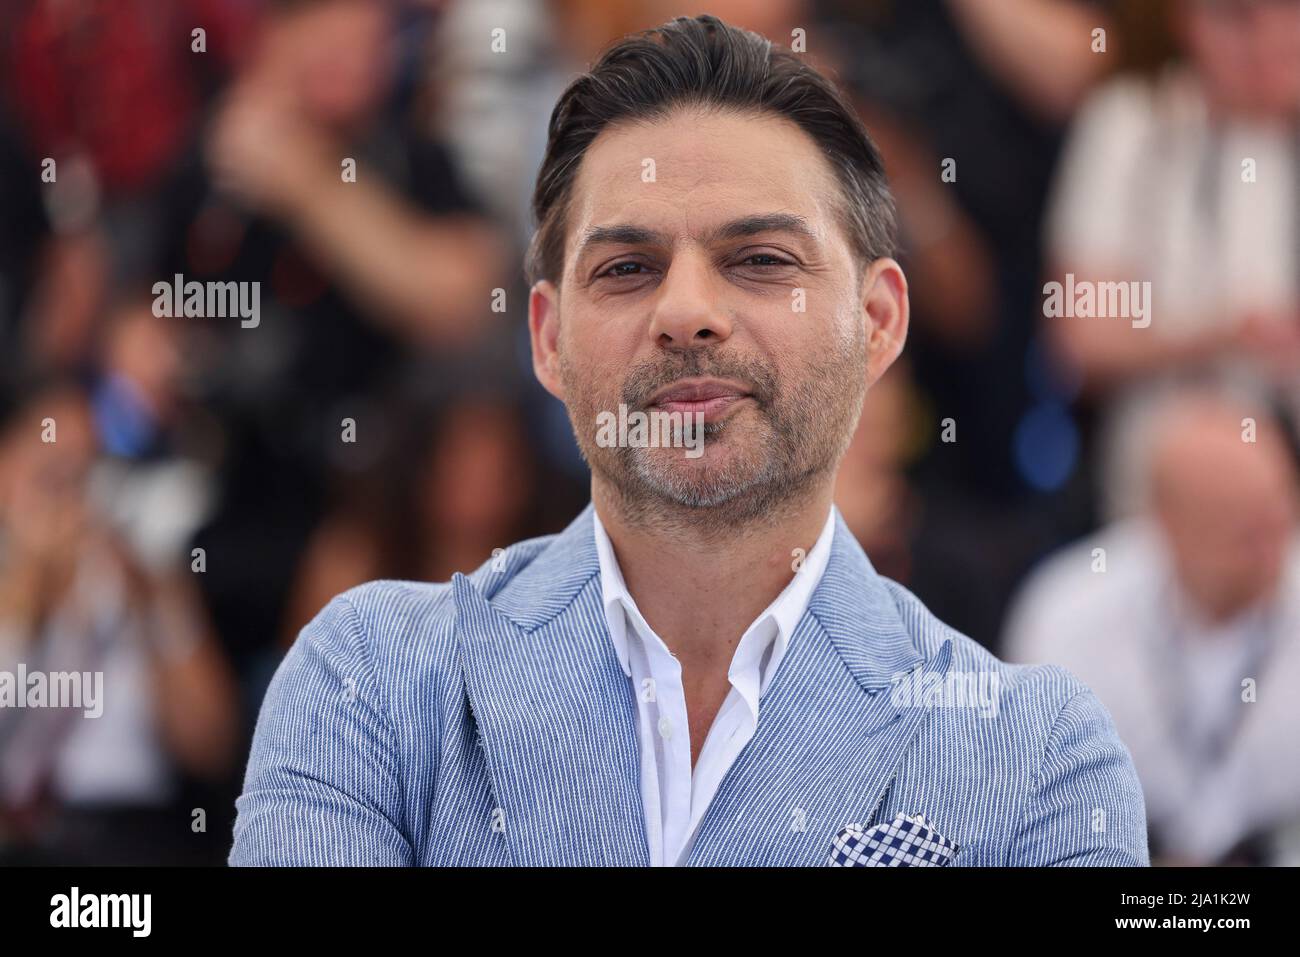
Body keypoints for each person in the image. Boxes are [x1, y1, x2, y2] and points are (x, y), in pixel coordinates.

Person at [230, 15, 1148, 867]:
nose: (688, 314)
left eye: (760, 261)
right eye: (627, 268)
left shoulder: (1038, 757)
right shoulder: (369, 683)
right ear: (547, 339)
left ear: (877, 320)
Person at [1004, 387, 1300, 865]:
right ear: (1166, 527)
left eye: (1281, 520)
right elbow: (1032, 804)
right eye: (1246, 536)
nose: (1274, 554)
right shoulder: (1068, 613)